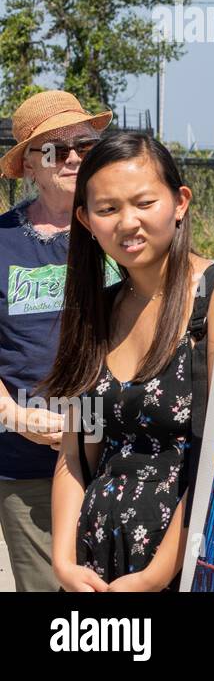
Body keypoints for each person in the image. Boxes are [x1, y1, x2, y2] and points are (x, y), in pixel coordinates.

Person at [45, 131, 214, 591]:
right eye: (107, 209)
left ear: (180, 202)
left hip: (185, 570)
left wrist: (153, 577)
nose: (127, 222)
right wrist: (63, 562)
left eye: (144, 202)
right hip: (94, 568)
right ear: (85, 219)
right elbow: (76, 455)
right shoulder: (92, 313)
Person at [0, 91, 109, 591]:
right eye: (55, 150)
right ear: (27, 164)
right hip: (30, 471)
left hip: (118, 460)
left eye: (83, 147)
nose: (72, 159)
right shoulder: (3, 242)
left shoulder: (120, 229)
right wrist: (14, 415)